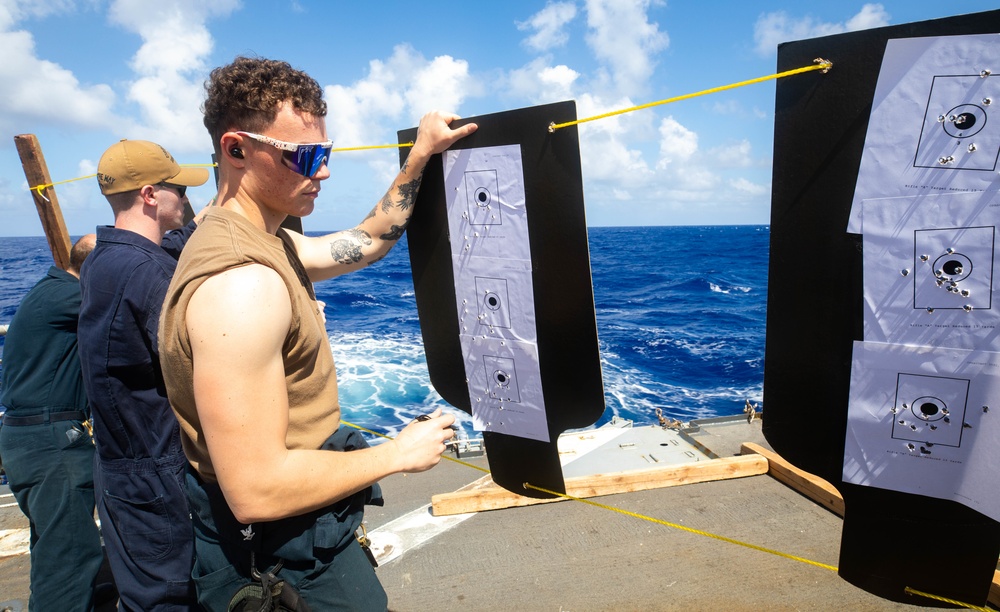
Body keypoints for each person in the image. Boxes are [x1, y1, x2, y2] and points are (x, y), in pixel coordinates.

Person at [158, 56, 475, 610]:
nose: (323, 172)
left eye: (324, 153)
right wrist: (397, 454)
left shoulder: (266, 240)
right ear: (236, 149)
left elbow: (368, 240)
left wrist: (419, 155)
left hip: (297, 532)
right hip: (284, 551)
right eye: (304, 156)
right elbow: (256, 489)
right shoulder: (242, 285)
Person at [78, 139, 209, 611]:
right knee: (171, 599)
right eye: (180, 190)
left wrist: (212, 214)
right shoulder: (149, 274)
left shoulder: (103, 258)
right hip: (155, 476)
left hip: (118, 468)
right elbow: (199, 368)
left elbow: (165, 244)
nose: (187, 199)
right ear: (151, 195)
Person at [0, 235, 104, 611]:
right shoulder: (69, 297)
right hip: (49, 441)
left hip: (28, 437)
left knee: (53, 545)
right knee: (70, 554)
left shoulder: (49, 290)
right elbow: (129, 306)